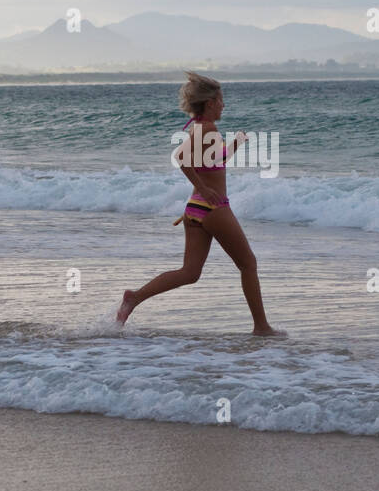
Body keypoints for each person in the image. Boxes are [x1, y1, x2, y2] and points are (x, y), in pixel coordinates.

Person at [116, 71, 284, 336]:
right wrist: (206, 189)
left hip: (195, 209)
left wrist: (235, 144)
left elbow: (213, 162)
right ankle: (261, 327)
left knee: (190, 272)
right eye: (220, 100)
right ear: (209, 103)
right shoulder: (207, 128)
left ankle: (134, 298)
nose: (223, 105)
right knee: (248, 264)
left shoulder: (197, 128)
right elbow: (181, 158)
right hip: (213, 209)